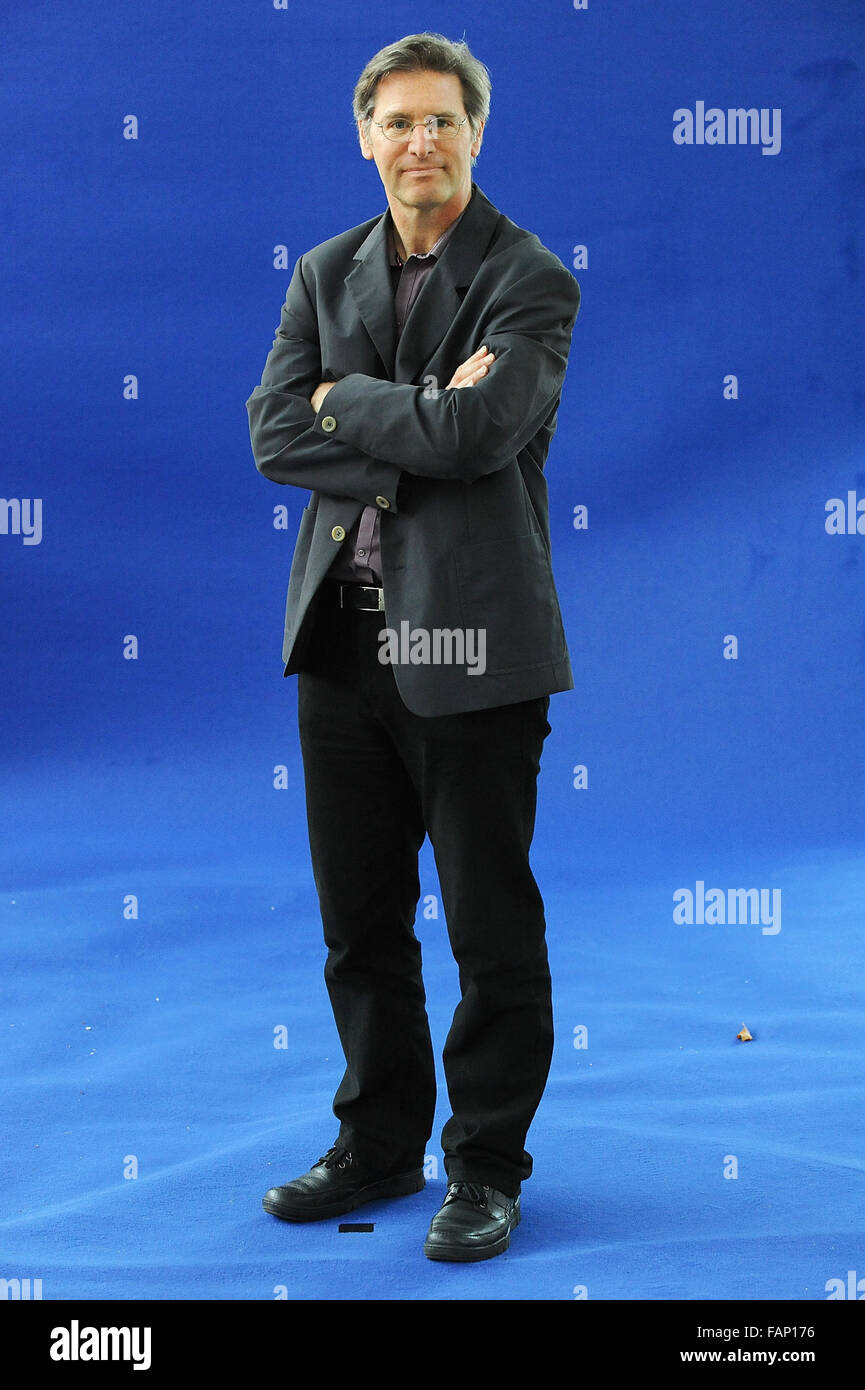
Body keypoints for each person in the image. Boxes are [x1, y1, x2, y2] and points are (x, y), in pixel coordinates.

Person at [246, 31, 580, 1263]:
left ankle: (484, 1165)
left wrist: (352, 402)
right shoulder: (325, 271)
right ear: (365, 137)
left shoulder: (530, 276)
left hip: (474, 649)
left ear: (474, 135)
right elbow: (273, 433)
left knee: (490, 925)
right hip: (341, 648)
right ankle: (378, 1141)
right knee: (360, 923)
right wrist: (411, 416)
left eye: (442, 121)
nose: (419, 143)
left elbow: (484, 432)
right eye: (397, 123)